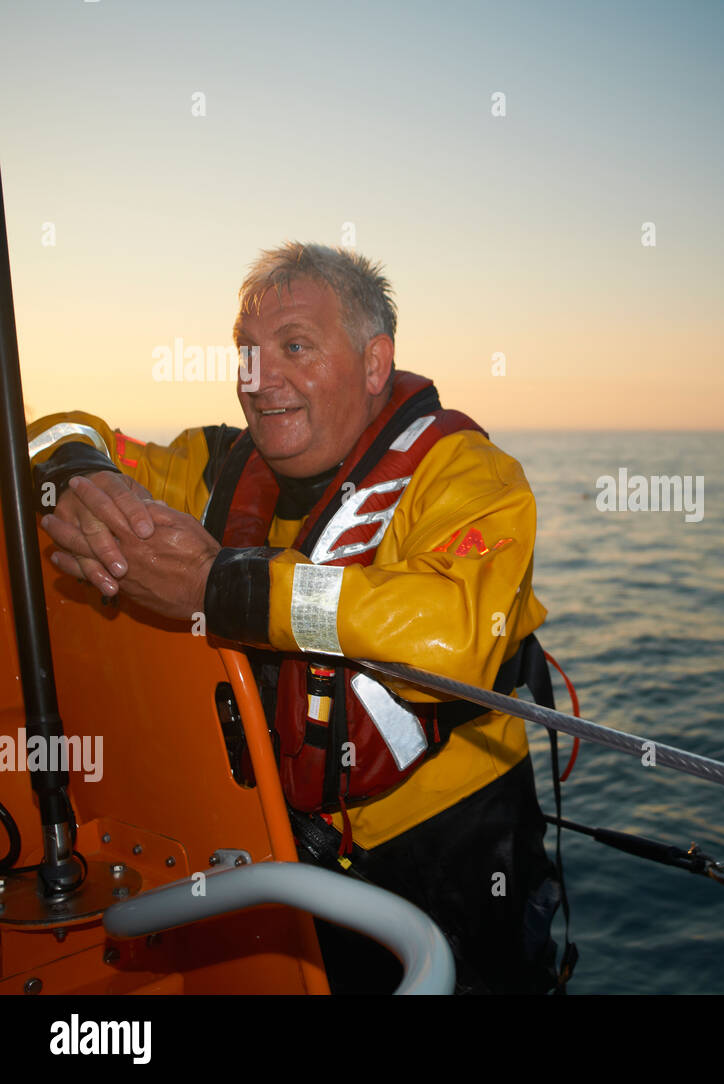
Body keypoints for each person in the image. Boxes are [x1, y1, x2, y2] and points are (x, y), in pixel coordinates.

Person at [27, 243, 567, 994]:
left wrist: (219, 589)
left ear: (375, 364)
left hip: (451, 847)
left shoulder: (469, 475)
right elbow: (55, 429)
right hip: (269, 844)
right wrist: (78, 474)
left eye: (295, 347)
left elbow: (454, 636)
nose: (260, 378)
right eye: (246, 352)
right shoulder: (210, 467)